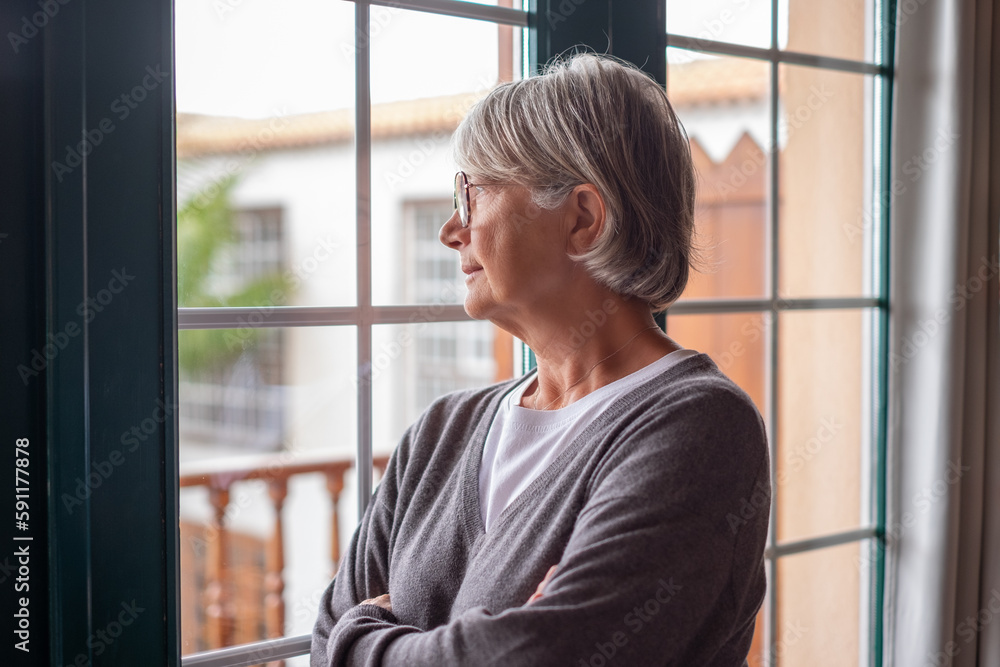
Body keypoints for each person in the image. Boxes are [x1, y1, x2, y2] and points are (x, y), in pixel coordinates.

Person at [312, 53, 770, 666]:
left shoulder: (701, 427)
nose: (452, 230)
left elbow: (539, 659)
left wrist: (364, 634)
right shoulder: (442, 431)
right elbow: (323, 639)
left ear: (582, 218)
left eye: (471, 193)